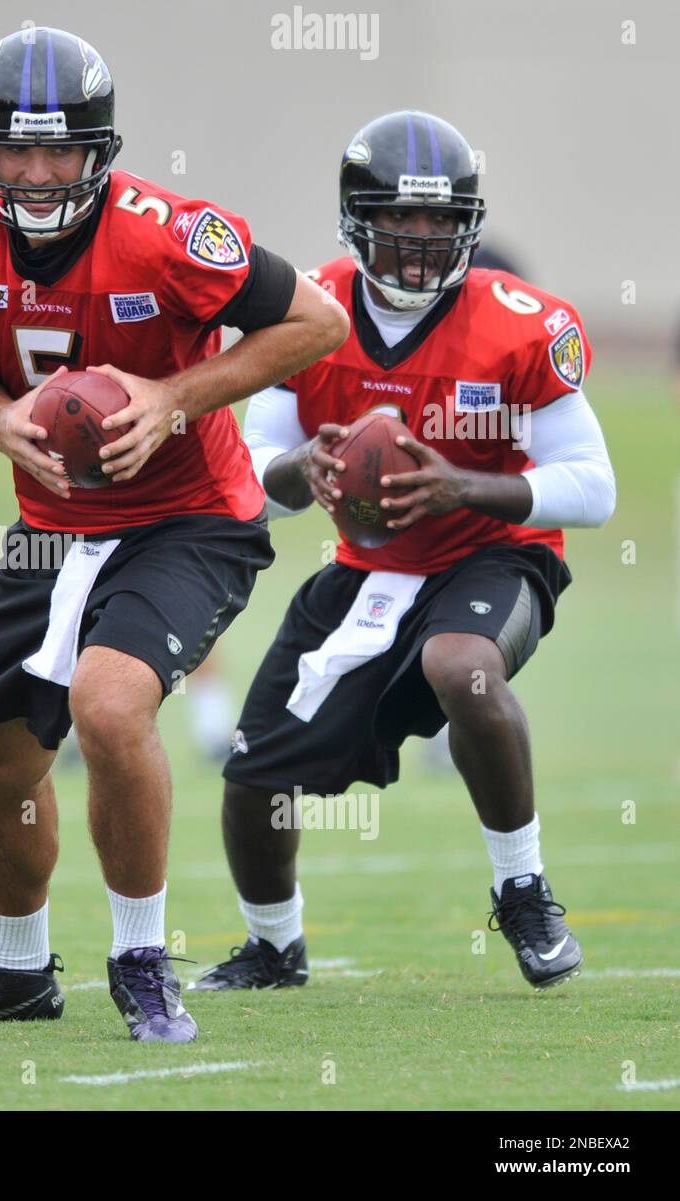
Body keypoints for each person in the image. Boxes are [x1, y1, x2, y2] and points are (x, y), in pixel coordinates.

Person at [0, 27, 347, 1041]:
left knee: (106, 704)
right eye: (18, 149)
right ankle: (13, 971)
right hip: (52, 526)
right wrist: (1, 421)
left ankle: (142, 958)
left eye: (61, 150)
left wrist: (175, 397)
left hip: (188, 519)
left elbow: (315, 323)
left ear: (101, 149)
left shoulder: (166, 236)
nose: (40, 172)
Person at [194, 111, 615, 993]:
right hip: (368, 568)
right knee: (254, 770)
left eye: (440, 220)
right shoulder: (309, 309)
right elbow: (264, 453)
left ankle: (524, 888)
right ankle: (276, 946)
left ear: (469, 222)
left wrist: (465, 484)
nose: (421, 240)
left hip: (496, 551)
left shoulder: (518, 323)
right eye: (400, 217)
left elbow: (594, 486)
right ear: (358, 215)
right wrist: (302, 467)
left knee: (460, 666)